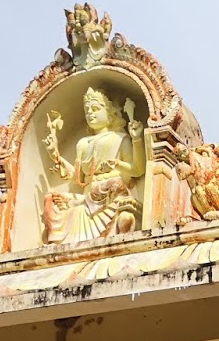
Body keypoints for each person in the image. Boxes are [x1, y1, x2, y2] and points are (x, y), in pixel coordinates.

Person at [41, 85, 145, 244]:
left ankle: (81, 203)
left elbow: (137, 170)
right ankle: (57, 242)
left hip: (111, 197)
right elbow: (78, 179)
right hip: (87, 197)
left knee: (114, 183)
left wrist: (135, 141)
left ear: (111, 113)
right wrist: (55, 155)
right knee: (50, 199)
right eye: (87, 110)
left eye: (96, 108)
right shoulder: (82, 143)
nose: (90, 113)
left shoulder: (120, 138)